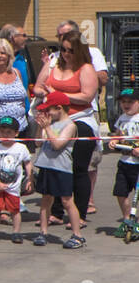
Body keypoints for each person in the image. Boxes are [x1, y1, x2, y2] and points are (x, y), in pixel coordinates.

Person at [32, 28, 99, 224]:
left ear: (79, 51)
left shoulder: (85, 68)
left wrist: (58, 95)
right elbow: (37, 87)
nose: (66, 54)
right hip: (54, 118)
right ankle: (56, 212)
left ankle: (79, 215)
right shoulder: (53, 64)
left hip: (79, 119)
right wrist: (45, 95)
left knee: (78, 167)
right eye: (63, 49)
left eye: (70, 50)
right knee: (52, 164)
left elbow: (87, 95)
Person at [32, 91, 85, 248]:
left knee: (67, 201)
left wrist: (47, 128)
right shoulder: (50, 123)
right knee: (45, 200)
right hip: (46, 166)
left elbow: (57, 145)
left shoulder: (70, 126)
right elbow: (37, 143)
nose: (46, 113)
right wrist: (39, 127)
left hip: (61, 168)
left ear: (59, 108)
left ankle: (77, 235)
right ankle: (43, 232)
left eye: (49, 110)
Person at [0, 117, 31, 244]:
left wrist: (29, 178)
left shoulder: (21, 148)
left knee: (15, 210)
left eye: (9, 132)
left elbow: (27, 163)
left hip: (13, 187)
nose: (5, 135)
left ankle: (16, 232)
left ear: (16, 133)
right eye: (2, 131)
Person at [108, 87, 139, 235]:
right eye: (123, 102)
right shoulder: (122, 118)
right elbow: (118, 134)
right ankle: (127, 220)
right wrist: (114, 140)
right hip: (125, 162)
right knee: (120, 192)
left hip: (137, 163)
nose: (126, 104)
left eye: (130, 102)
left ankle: (135, 222)